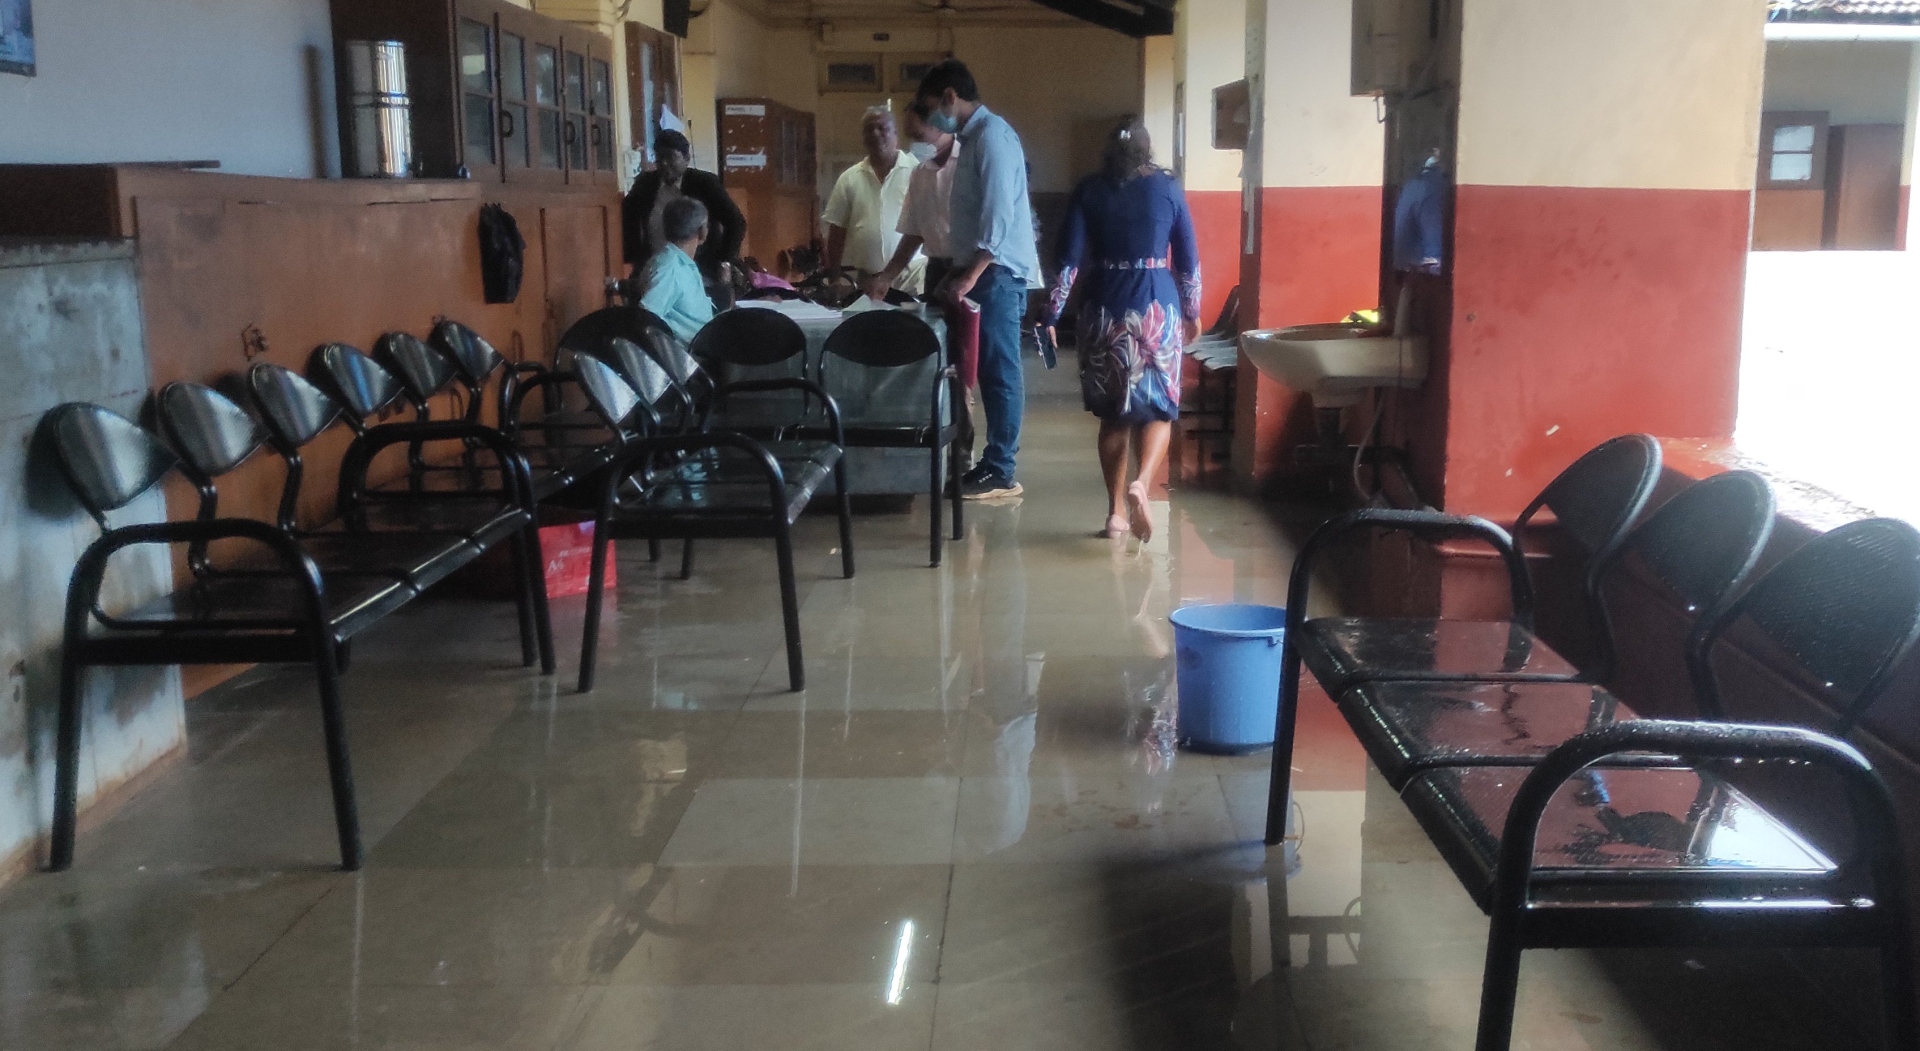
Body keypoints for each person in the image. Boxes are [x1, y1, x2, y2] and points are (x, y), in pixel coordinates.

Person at [1042, 117, 1200, 542]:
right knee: (1160, 409)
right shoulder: (1168, 189)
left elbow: (1068, 261)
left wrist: (1052, 315)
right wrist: (1192, 309)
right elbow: (1187, 257)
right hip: (1156, 305)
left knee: (1114, 415)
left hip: (1104, 307)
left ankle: (1114, 515)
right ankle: (1142, 484)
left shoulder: (1089, 189)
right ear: (1148, 151)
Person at [915, 59, 1040, 501]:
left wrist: (970, 274)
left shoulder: (994, 138)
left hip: (997, 272)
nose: (932, 119)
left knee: (1000, 369)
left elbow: (1000, 219)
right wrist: (957, 269)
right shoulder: (975, 139)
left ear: (951, 96)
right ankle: (994, 463)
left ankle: (1002, 469)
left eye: (933, 108)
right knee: (987, 369)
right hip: (983, 268)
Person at [867, 101, 979, 388]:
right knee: (939, 353)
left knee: (979, 361)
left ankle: (969, 420)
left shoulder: (970, 162)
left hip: (974, 272)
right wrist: (887, 276)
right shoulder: (919, 174)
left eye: (918, 135)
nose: (914, 144)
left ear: (939, 126)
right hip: (938, 271)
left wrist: (972, 274)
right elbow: (914, 232)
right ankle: (945, 421)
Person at [621, 130, 745, 283]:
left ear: (686, 158)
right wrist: (634, 259)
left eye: (670, 157)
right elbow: (627, 216)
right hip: (656, 267)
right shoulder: (646, 184)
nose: (664, 163)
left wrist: (725, 262)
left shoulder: (705, 184)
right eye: (659, 158)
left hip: (701, 269)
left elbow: (736, 222)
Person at [823, 105, 920, 293]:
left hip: (912, 277)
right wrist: (834, 278)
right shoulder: (849, 178)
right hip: (868, 280)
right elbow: (836, 233)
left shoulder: (917, 172)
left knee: (913, 323)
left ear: (896, 134)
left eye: (882, 128)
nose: (875, 134)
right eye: (869, 129)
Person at [638, 196, 717, 344]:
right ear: (702, 231)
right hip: (690, 358)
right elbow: (646, 317)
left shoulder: (679, 261)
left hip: (705, 346)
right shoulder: (669, 268)